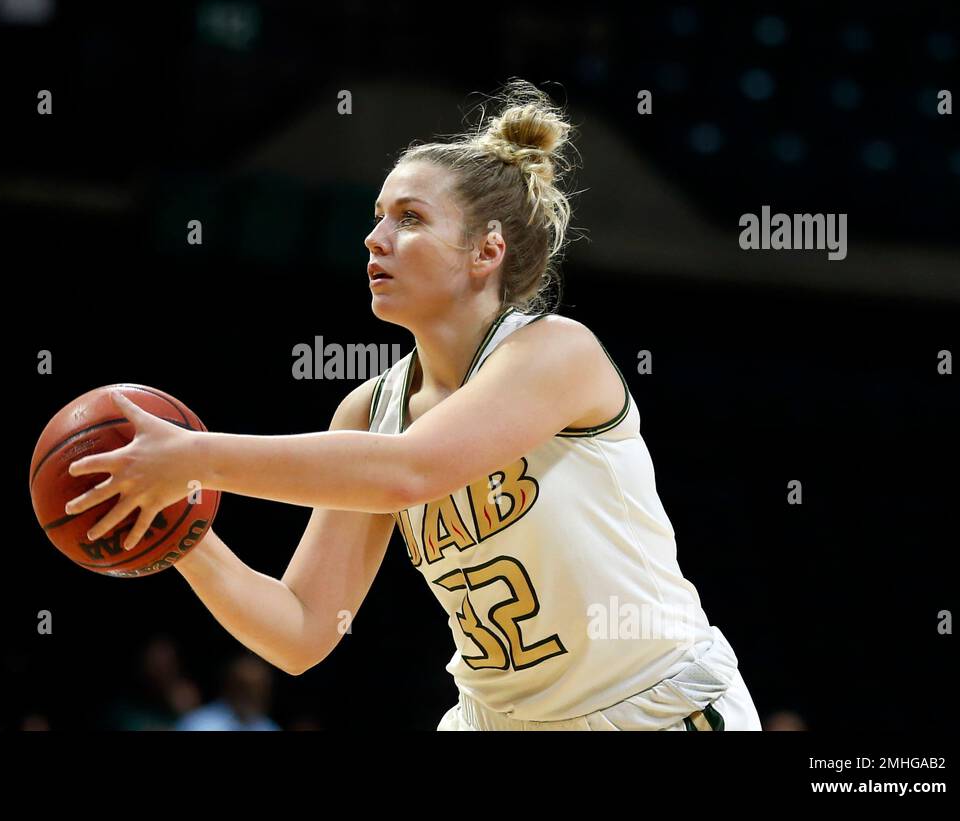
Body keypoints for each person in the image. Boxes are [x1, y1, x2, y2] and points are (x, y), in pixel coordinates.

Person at [62, 79, 760, 731]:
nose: (375, 237)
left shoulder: (556, 352)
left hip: (653, 706)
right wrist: (180, 529)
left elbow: (410, 471)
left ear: (487, 250)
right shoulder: (369, 412)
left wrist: (189, 458)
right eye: (377, 217)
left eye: (410, 218)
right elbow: (303, 630)